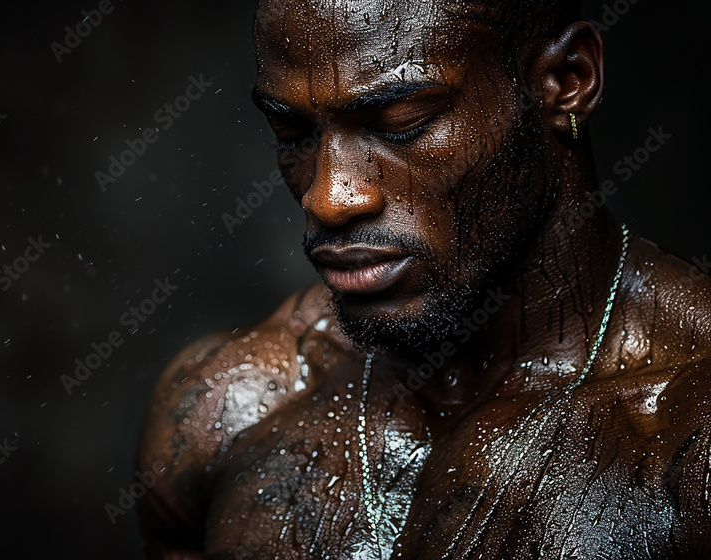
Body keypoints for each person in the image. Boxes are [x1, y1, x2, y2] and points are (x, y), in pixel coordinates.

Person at [135, 0, 711, 557]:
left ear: (567, 79)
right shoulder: (231, 410)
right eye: (294, 134)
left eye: (401, 124)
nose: (329, 198)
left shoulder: (690, 423)